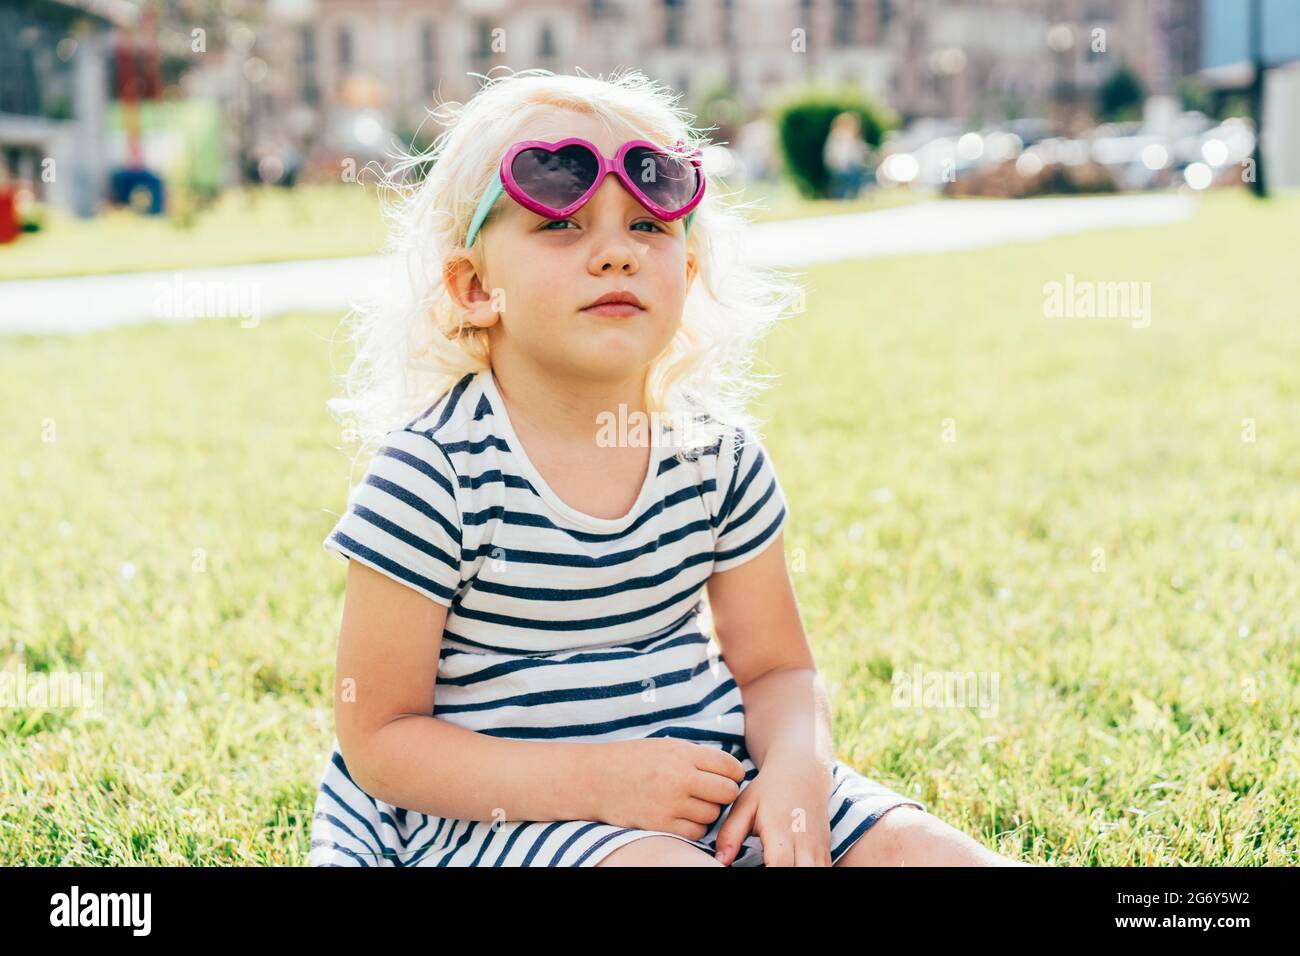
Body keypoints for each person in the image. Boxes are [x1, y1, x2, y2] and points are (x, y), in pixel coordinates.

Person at [310, 70, 1027, 867]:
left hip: (715, 789)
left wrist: (794, 769)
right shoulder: (433, 475)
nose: (615, 252)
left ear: (683, 278)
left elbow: (779, 668)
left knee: (923, 850)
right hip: (507, 820)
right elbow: (378, 735)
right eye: (563, 225)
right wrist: (595, 784)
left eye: (649, 228)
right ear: (476, 288)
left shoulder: (716, 458)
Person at [824, 111, 869, 200]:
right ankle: (852, 195)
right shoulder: (837, 138)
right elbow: (835, 157)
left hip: (851, 167)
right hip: (839, 168)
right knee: (854, 173)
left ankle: (855, 194)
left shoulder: (853, 138)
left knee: (860, 171)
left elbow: (860, 152)